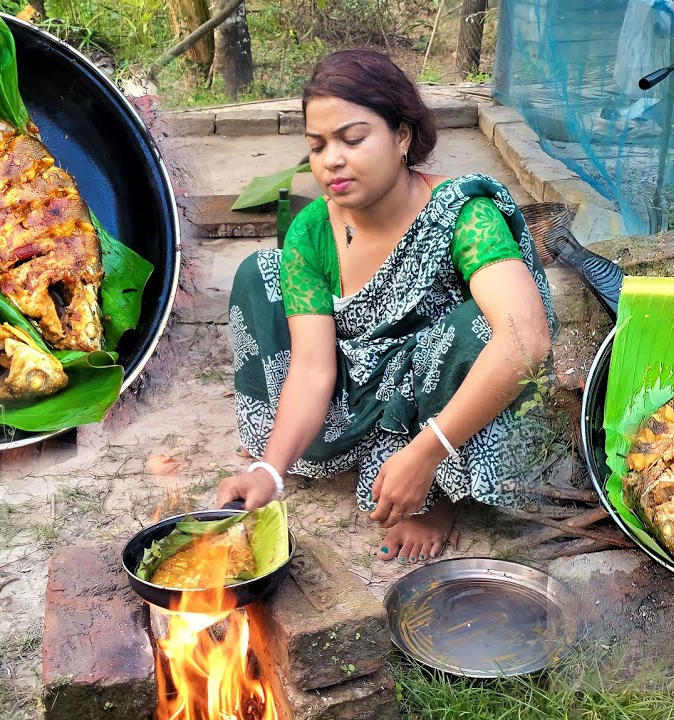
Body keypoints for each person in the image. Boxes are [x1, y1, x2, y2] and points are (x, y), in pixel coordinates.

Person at [216, 48, 558, 564]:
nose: (332, 159)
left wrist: (428, 450)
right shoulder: (313, 232)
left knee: (487, 327)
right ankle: (317, 448)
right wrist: (270, 469)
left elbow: (528, 339)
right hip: (358, 386)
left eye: (353, 139)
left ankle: (439, 489)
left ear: (402, 137)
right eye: (317, 145)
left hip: (439, 390)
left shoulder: (465, 215)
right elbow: (311, 368)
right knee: (259, 274)